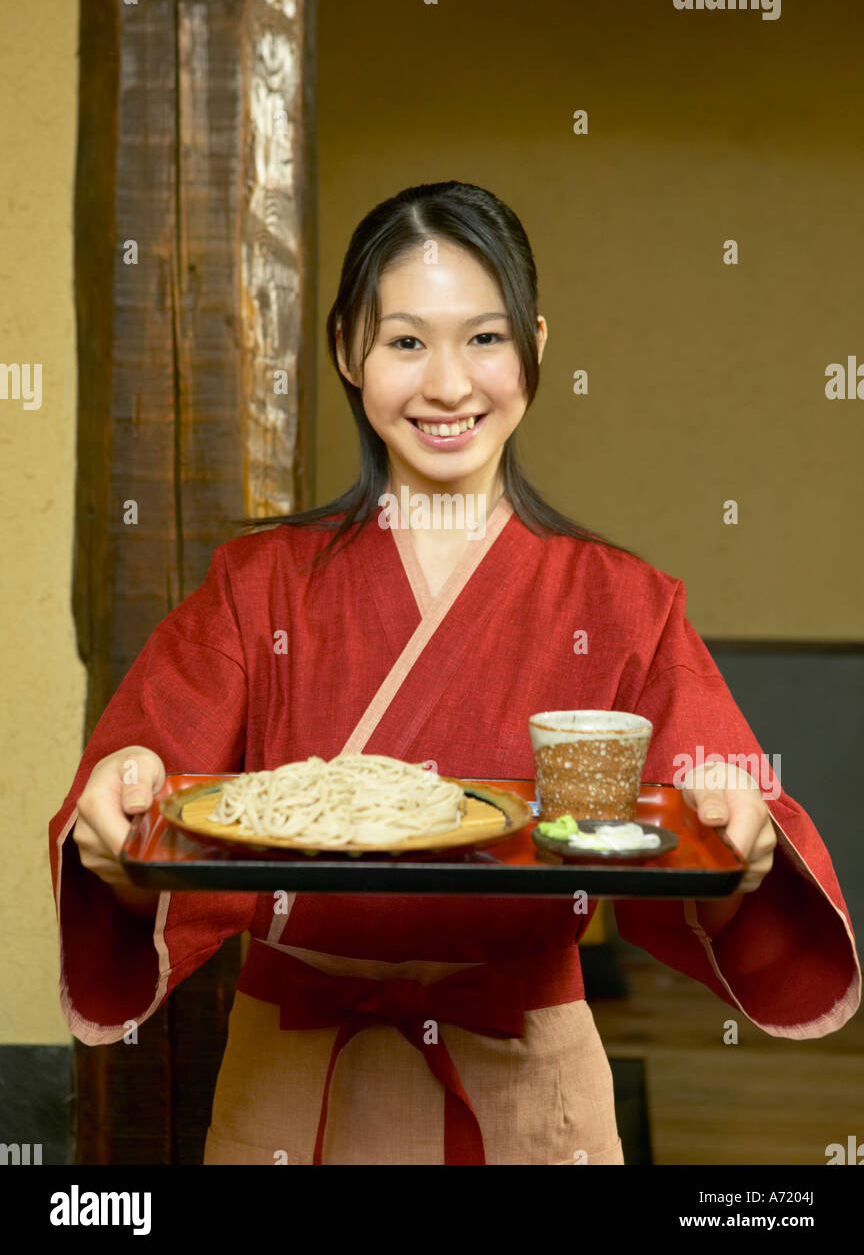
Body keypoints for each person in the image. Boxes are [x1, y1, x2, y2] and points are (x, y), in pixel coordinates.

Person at [50, 181, 860, 1165]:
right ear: (348, 349)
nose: (448, 384)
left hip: (532, 1085)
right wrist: (113, 823)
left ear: (536, 346)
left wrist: (741, 840)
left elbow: (717, 837)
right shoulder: (256, 589)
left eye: (484, 338)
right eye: (405, 342)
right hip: (295, 1086)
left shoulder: (622, 602)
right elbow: (147, 816)